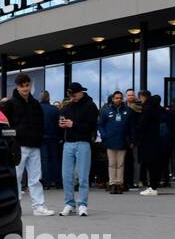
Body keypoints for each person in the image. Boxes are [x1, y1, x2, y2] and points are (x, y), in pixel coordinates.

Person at [1, 74, 55, 217]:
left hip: (35, 145)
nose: (25, 88)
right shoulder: (10, 104)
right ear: (17, 87)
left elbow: (41, 123)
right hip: (18, 146)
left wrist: (39, 138)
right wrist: (12, 140)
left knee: (35, 178)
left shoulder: (35, 104)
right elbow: (4, 125)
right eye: (22, 86)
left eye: (27, 85)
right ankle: (15, 207)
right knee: (16, 178)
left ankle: (39, 207)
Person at [58, 82, 99, 217]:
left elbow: (92, 126)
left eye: (74, 95)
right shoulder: (67, 107)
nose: (72, 98)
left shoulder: (90, 106)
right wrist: (62, 124)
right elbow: (61, 121)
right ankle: (69, 203)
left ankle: (82, 204)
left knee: (83, 176)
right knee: (66, 176)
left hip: (83, 143)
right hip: (68, 143)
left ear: (81, 92)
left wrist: (73, 124)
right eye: (70, 95)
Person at [98, 90, 133, 195]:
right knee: (112, 163)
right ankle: (112, 183)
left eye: (120, 98)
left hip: (122, 141)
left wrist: (131, 140)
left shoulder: (127, 111)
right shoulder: (106, 111)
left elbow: (131, 127)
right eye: (116, 98)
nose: (119, 99)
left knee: (120, 163)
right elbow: (101, 125)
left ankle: (119, 184)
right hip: (110, 141)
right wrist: (104, 136)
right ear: (113, 99)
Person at [134, 91, 165, 196]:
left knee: (150, 164)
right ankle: (153, 185)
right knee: (155, 164)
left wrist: (137, 130)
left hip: (147, 140)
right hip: (157, 139)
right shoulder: (157, 107)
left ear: (142, 97)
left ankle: (152, 187)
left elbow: (143, 123)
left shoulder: (147, 107)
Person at [39, 90, 62, 189]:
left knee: (44, 161)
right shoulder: (55, 109)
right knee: (55, 160)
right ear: (49, 97)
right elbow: (59, 125)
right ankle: (58, 181)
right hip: (53, 138)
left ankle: (46, 183)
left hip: (41, 138)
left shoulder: (37, 108)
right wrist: (59, 137)